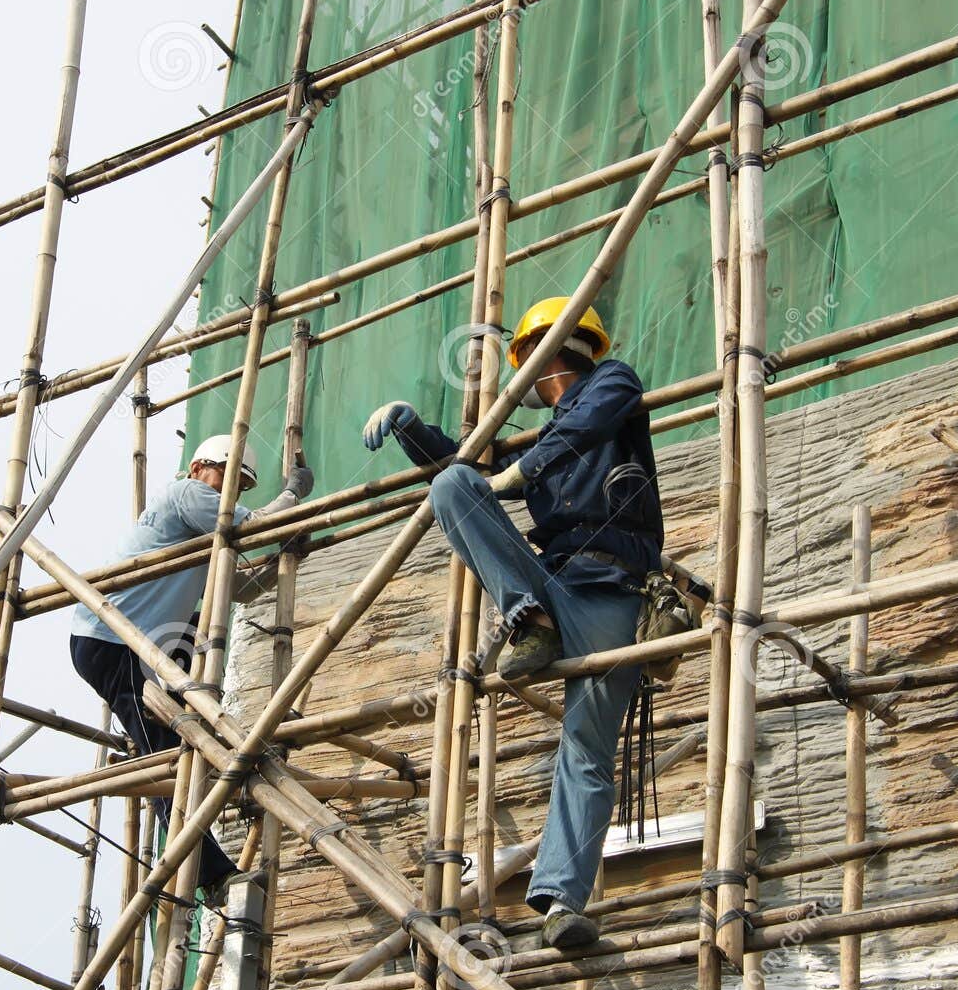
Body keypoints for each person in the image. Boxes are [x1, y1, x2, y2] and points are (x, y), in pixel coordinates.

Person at [361, 297, 663, 949]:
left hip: (613, 590)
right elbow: (470, 473)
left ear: (542, 352)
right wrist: (415, 429)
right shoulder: (545, 442)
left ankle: (559, 901)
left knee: (587, 751)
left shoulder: (612, 383)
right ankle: (527, 619)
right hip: (553, 591)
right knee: (451, 490)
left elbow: (574, 432)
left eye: (519, 358)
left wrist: (518, 473)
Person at [69, 434, 314, 894]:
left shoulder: (201, 531)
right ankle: (212, 875)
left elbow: (239, 589)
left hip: (143, 643)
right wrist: (293, 495)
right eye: (229, 478)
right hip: (113, 640)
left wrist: (283, 556)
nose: (232, 493)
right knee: (165, 757)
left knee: (201, 634)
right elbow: (249, 525)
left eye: (241, 486)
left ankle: (205, 725)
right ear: (201, 466)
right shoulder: (187, 494)